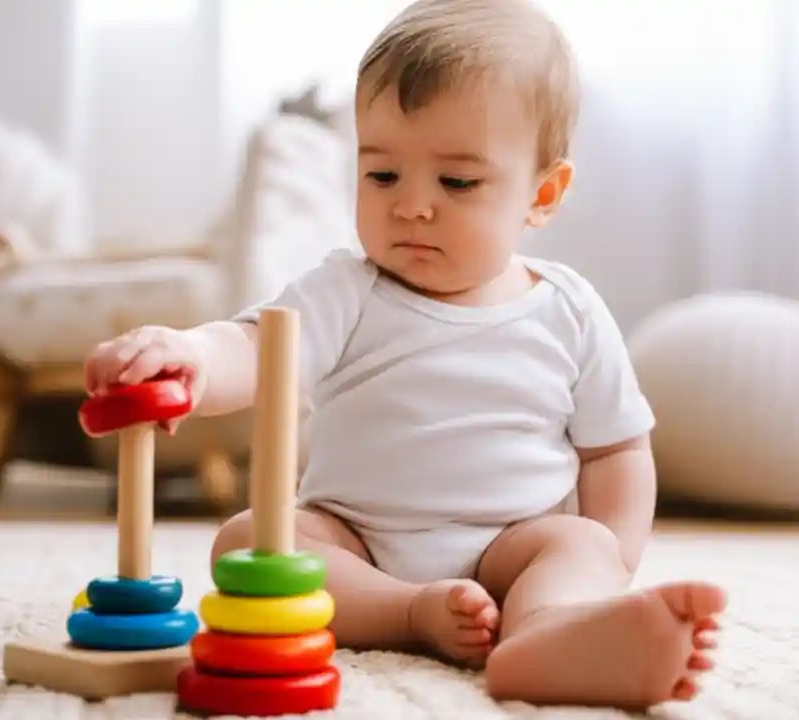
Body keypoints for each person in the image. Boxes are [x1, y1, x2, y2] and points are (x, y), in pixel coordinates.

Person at [84, 0, 726, 709]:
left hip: (513, 545)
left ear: (542, 194)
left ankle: (552, 635)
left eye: (457, 182)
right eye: (382, 175)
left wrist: (610, 558)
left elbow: (617, 452)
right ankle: (408, 614)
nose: (412, 206)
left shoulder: (569, 310)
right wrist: (190, 356)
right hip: (357, 540)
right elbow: (258, 348)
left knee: (578, 546)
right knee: (247, 542)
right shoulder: (347, 289)